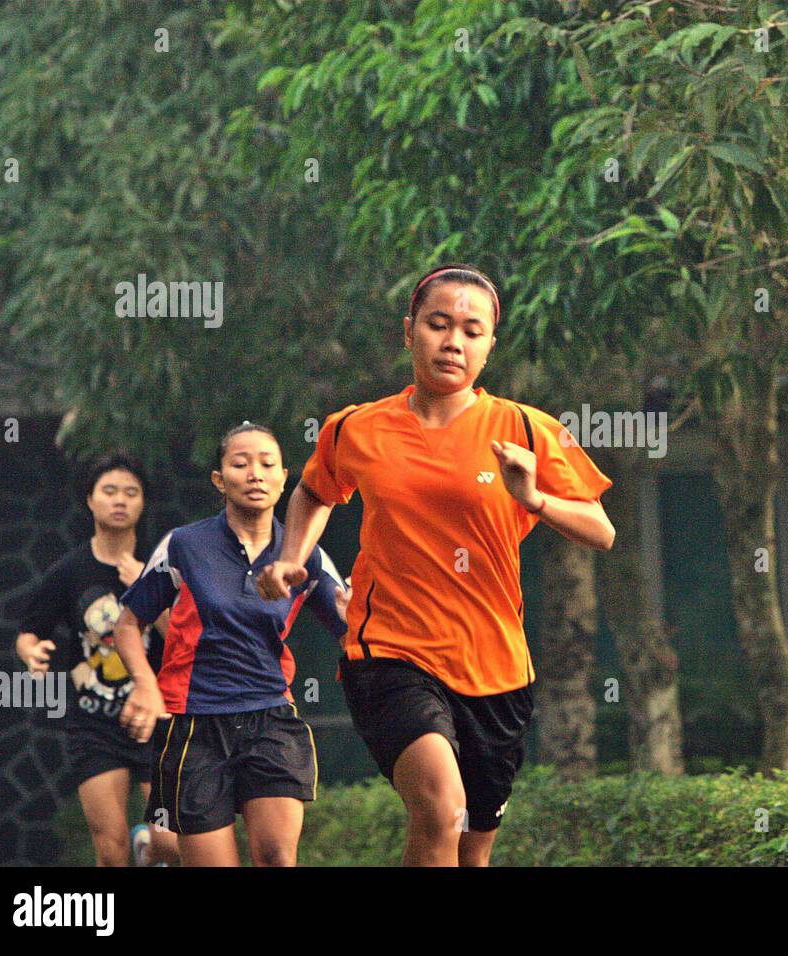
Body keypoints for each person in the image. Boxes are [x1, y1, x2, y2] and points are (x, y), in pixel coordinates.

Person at [257, 263, 615, 866]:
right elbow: (315, 491)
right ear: (409, 331)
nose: (453, 342)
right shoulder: (356, 428)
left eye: (472, 332)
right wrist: (292, 556)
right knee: (441, 807)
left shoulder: (527, 429)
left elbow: (601, 531)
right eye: (438, 325)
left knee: (470, 852)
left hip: (496, 669)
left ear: (490, 345)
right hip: (390, 654)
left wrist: (534, 498)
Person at [112, 423, 350, 866]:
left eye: (267, 464)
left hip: (270, 718)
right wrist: (145, 684)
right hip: (194, 725)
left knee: (277, 856)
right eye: (240, 464)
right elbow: (128, 624)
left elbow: (351, 630)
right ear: (220, 480)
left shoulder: (304, 555)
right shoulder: (184, 545)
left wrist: (360, 612)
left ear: (284, 478)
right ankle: (153, 847)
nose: (255, 474)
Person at [14, 452, 179, 866]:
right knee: (110, 846)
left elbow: (181, 637)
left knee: (172, 843)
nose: (120, 500)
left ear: (142, 502)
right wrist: (31, 652)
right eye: (109, 491)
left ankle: (148, 849)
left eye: (131, 492)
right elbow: (30, 630)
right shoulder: (69, 571)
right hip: (94, 726)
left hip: (156, 720)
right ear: (90, 500)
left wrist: (145, 587)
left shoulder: (160, 566)